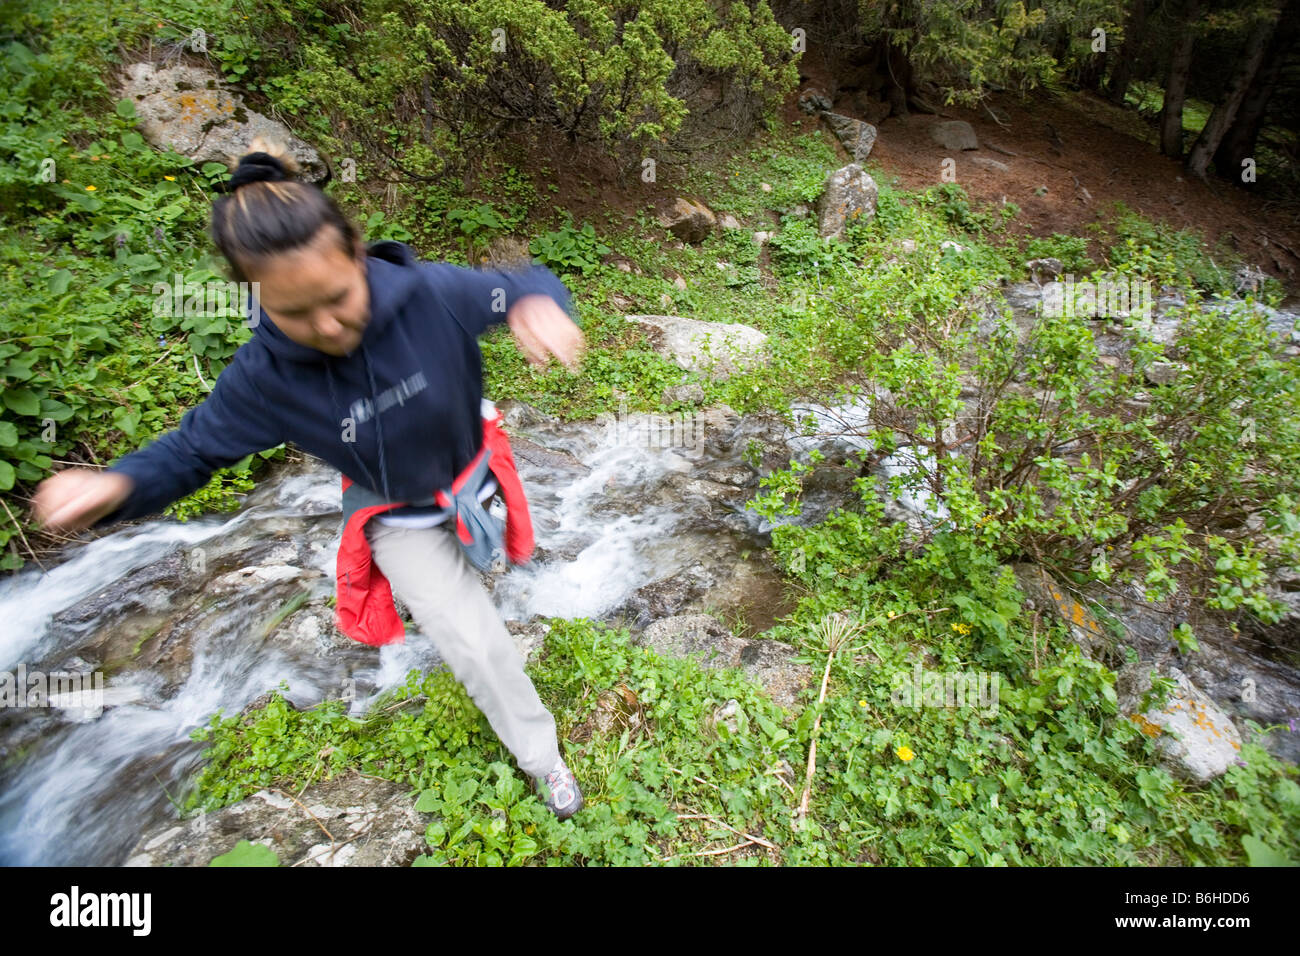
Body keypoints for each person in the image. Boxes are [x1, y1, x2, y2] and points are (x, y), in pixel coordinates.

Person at [30, 136, 589, 819]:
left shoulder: (431, 295)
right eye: (295, 314)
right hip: (397, 511)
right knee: (473, 640)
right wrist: (118, 487)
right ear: (257, 300)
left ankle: (472, 571)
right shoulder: (264, 381)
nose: (328, 326)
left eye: (337, 298)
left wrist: (537, 304)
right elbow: (190, 453)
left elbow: (530, 284)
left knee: (491, 567)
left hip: (475, 473)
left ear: (356, 253)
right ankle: (543, 760)